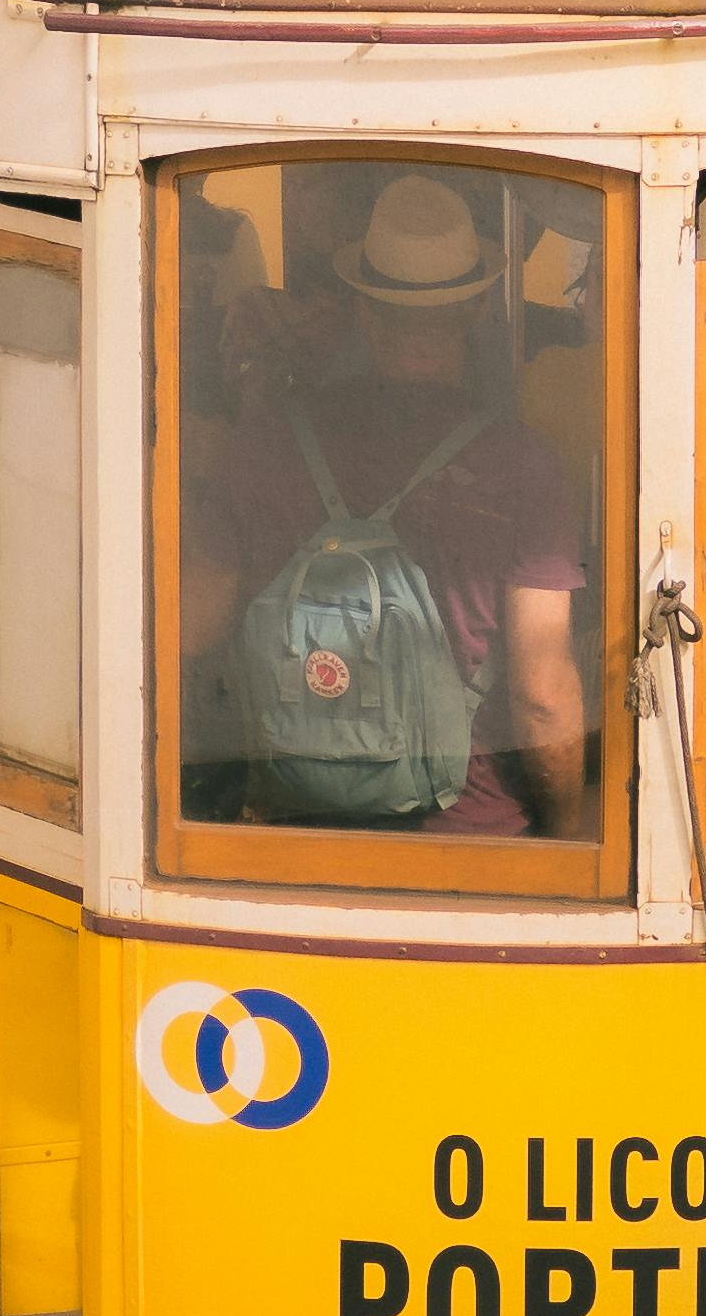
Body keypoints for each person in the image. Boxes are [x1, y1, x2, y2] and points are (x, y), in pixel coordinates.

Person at [179, 173, 585, 841]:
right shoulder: (523, 465)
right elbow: (543, 696)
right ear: (479, 307)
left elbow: (192, 630)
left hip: (292, 832)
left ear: (364, 309)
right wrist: (571, 840)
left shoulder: (269, 440)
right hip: (469, 836)